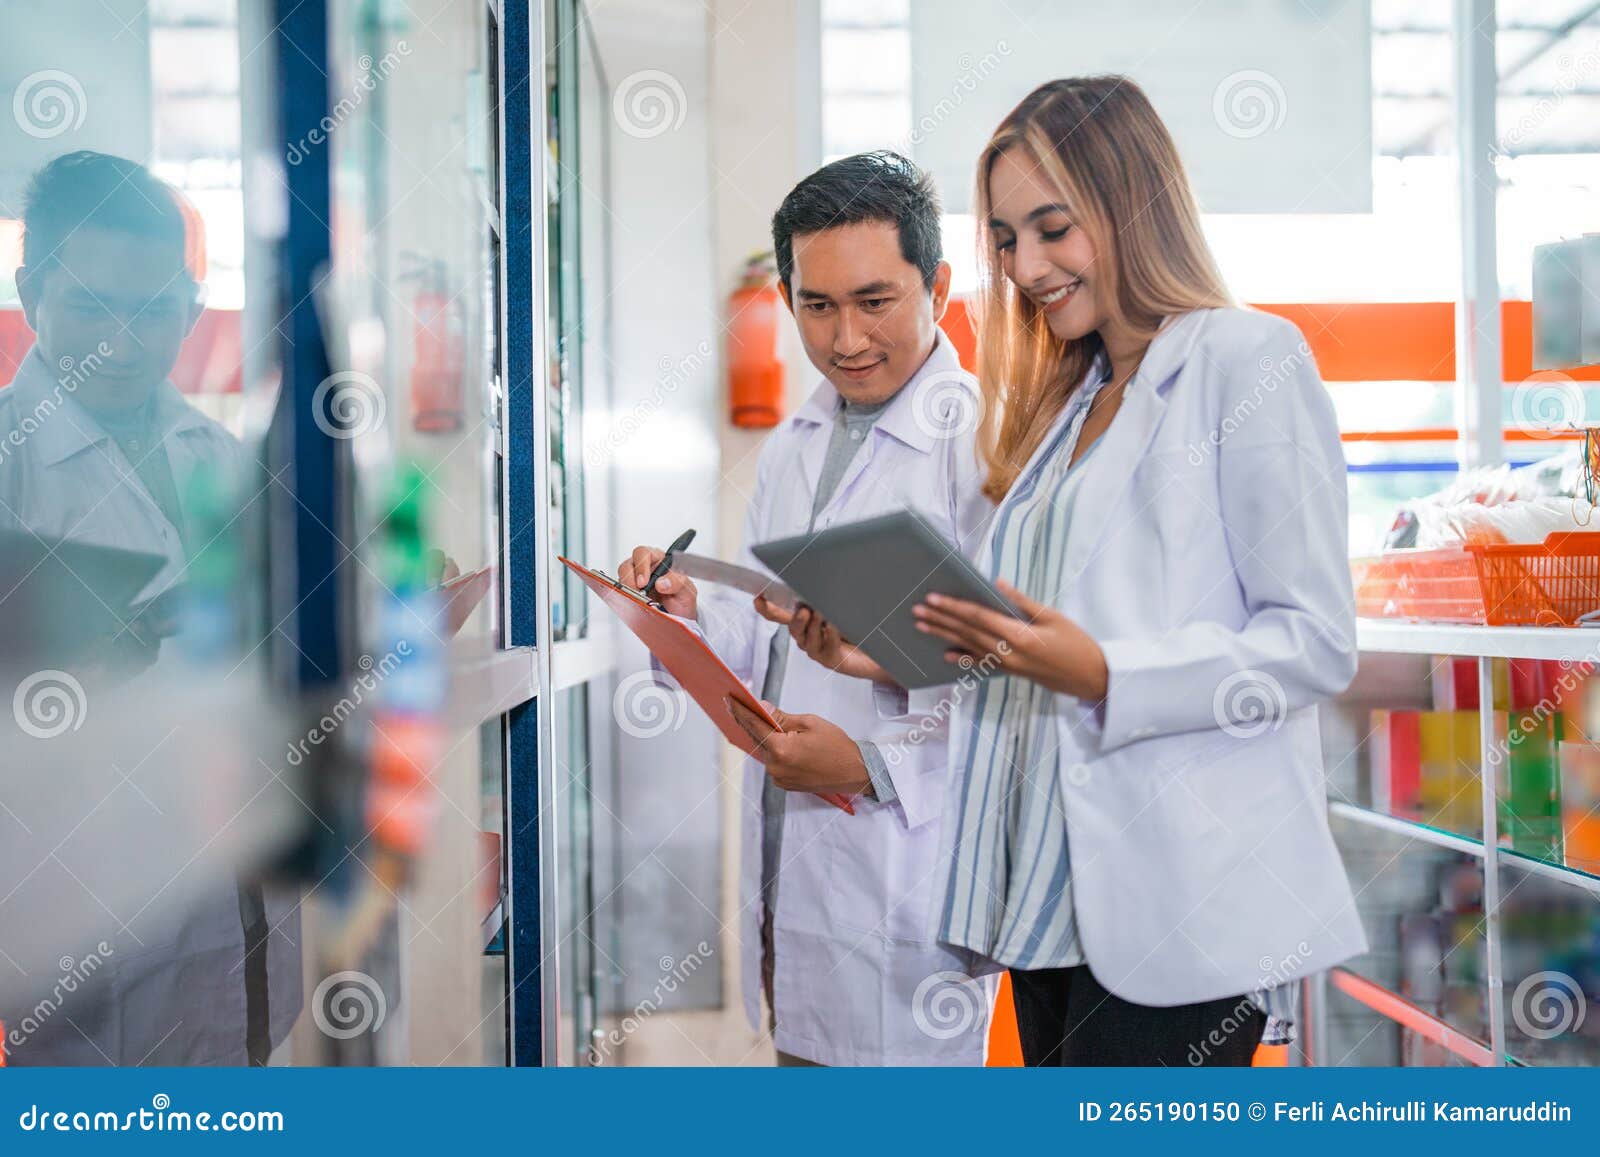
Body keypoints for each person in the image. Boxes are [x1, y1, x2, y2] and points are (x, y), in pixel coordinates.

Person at [910, 77, 1367, 1066]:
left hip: (1181, 896)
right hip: (1046, 891)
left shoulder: (1247, 362)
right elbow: (1043, 632)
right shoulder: (1069, 408)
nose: (1025, 266)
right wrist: (899, 641)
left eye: (1053, 227)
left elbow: (1313, 642)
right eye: (1002, 238)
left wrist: (1109, 673)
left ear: (1132, 206)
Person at [618, 152, 996, 1066]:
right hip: (792, 865)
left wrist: (871, 764)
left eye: (876, 301)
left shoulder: (983, 446)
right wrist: (687, 614)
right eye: (816, 305)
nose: (845, 337)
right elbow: (764, 632)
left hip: (909, 887)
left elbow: (1010, 692)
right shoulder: (797, 445)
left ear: (936, 287)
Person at [0, 151, 301, 1064]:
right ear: (29, 291)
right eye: (92, 306)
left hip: (244, 928)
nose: (123, 343)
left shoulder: (230, 463)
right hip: (75, 953)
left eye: (152, 310)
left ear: (192, 306)